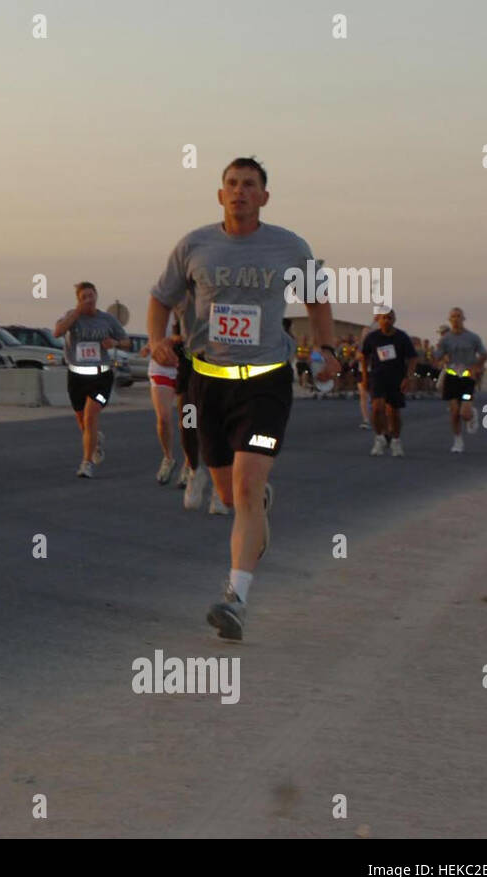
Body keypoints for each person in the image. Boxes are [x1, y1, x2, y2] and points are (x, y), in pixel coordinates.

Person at [147, 156, 339, 641]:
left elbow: (317, 297)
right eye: (231, 184)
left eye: (249, 185)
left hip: (265, 380)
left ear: (264, 197)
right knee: (232, 495)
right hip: (207, 382)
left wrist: (327, 347)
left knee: (248, 488)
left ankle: (236, 599)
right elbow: (161, 297)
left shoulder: (289, 245)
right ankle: (254, 516)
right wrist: (155, 340)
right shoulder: (195, 244)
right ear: (220, 194)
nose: (239, 192)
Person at [53, 282, 130, 477]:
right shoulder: (72, 316)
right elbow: (57, 332)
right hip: (76, 375)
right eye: (83, 297)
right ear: (78, 300)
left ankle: (86, 463)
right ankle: (95, 440)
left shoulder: (107, 320)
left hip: (101, 375)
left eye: (90, 295)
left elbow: (127, 342)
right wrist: (76, 313)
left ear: (96, 296)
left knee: (90, 415)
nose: (88, 299)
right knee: (83, 421)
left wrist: (115, 343)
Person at [359, 308, 417, 456]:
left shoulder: (402, 337)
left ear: (394, 320)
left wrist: (408, 377)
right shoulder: (372, 337)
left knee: (394, 412)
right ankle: (379, 438)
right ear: (379, 320)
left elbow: (412, 358)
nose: (387, 321)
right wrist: (365, 377)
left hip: (396, 378)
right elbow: (364, 356)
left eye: (390, 318)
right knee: (377, 408)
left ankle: (396, 441)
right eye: (384, 318)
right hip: (378, 377)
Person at [434, 307, 487, 453]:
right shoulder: (445, 339)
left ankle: (471, 414)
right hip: (452, 377)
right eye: (453, 317)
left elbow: (484, 354)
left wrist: (476, 367)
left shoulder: (472, 337)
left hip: (467, 379)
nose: (456, 319)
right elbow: (437, 356)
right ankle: (458, 441)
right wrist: (439, 354)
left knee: (464, 413)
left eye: (458, 316)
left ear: (463, 318)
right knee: (454, 411)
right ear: (450, 320)